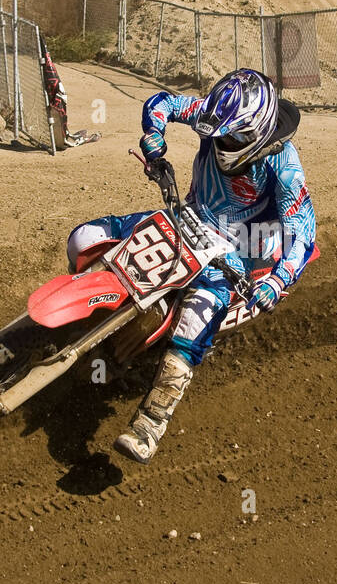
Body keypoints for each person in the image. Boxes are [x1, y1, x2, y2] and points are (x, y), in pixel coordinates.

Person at [65, 69, 316, 463]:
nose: (218, 141)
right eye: (216, 133)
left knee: (195, 320)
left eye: (229, 137)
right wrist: (153, 138)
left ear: (254, 133)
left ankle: (151, 422)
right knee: (85, 237)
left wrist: (279, 280)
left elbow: (302, 232)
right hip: (186, 218)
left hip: (236, 251)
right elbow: (163, 102)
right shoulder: (215, 121)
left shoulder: (283, 165)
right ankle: (79, 318)